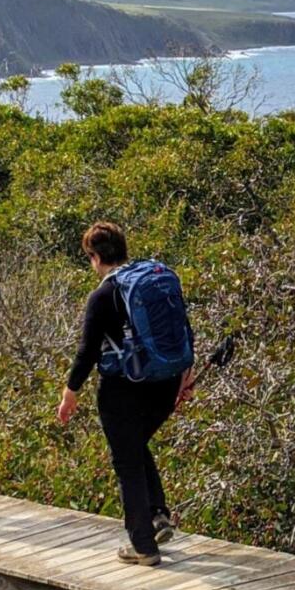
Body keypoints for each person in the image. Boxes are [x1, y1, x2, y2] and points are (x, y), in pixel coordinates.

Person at [57, 222, 193, 567]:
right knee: (135, 446)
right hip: (165, 379)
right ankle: (158, 515)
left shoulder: (104, 294)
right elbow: (183, 329)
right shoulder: (155, 279)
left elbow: (87, 351)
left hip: (123, 387)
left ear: (95, 256)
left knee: (126, 460)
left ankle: (142, 546)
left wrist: (70, 393)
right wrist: (185, 375)